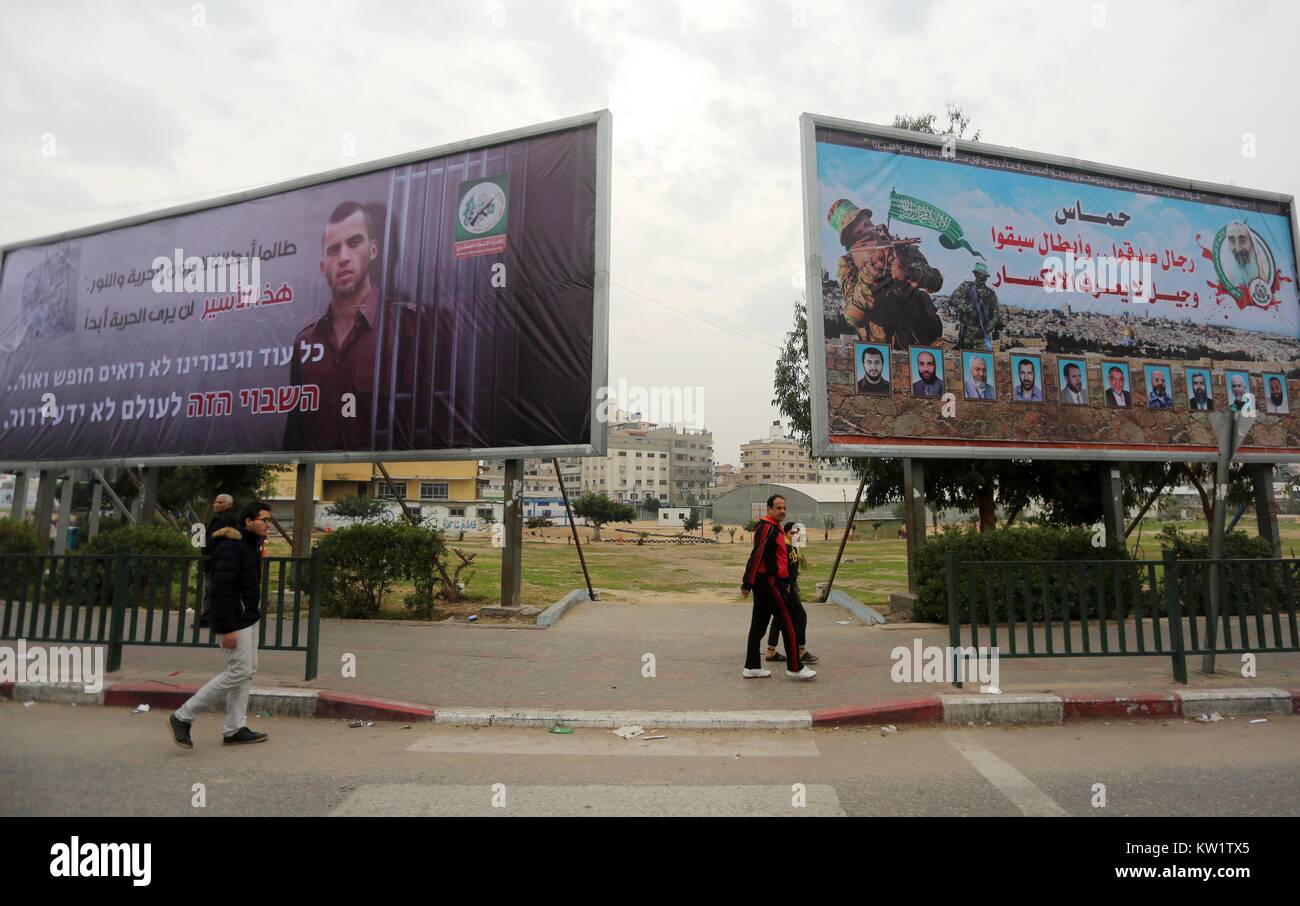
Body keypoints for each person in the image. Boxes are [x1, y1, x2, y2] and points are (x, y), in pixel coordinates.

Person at [283, 201, 422, 452]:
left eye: (354, 242)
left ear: (373, 249)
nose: (344, 257)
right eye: (334, 249)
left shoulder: (407, 329)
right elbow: (294, 437)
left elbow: (422, 426)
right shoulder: (305, 342)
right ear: (323, 267)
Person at [169, 501, 273, 749]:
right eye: (264, 520)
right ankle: (182, 716)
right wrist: (225, 628)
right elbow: (220, 590)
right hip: (235, 621)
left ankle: (234, 728)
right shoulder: (232, 547)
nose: (268, 524)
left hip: (248, 618)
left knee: (246, 673)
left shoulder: (249, 545)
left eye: (269, 520)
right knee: (238, 672)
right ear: (248, 521)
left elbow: (246, 584)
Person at [828, 199, 943, 349]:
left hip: (920, 339)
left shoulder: (900, 248)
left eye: (864, 220)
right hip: (881, 348)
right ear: (849, 236)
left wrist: (910, 272)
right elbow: (854, 316)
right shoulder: (848, 263)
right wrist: (869, 274)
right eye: (855, 227)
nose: (864, 226)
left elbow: (936, 281)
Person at [741, 495, 815, 681]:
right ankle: (795, 668)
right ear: (769, 509)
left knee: (758, 626)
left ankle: (751, 667)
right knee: (788, 622)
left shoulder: (775, 528)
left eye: (784, 508)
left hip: (769, 583)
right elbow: (757, 555)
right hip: (770, 584)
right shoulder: (767, 528)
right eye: (778, 508)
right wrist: (747, 583)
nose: (782, 511)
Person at [764, 521, 818, 666]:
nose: (795, 536)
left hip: (786, 587)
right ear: (785, 533)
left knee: (778, 618)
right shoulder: (785, 547)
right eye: (792, 533)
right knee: (800, 616)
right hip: (786, 588)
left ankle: (770, 651)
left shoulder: (792, 547)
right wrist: (787, 586)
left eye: (797, 533)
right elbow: (781, 568)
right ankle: (801, 651)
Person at [199, 493, 239, 627]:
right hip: (214, 560)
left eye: (220, 502)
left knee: (213, 588)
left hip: (218, 561)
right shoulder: (220, 518)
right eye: (216, 502)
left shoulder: (227, 519)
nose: (216, 504)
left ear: (228, 505)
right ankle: (209, 617)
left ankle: (209, 618)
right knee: (211, 588)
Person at [951, 262, 1003, 351]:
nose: (981, 278)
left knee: (984, 360)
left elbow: (996, 315)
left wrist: (986, 329)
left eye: (983, 276)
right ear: (975, 275)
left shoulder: (990, 294)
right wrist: (967, 308)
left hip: (982, 335)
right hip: (967, 331)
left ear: (986, 277)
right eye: (979, 275)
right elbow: (954, 299)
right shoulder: (967, 286)